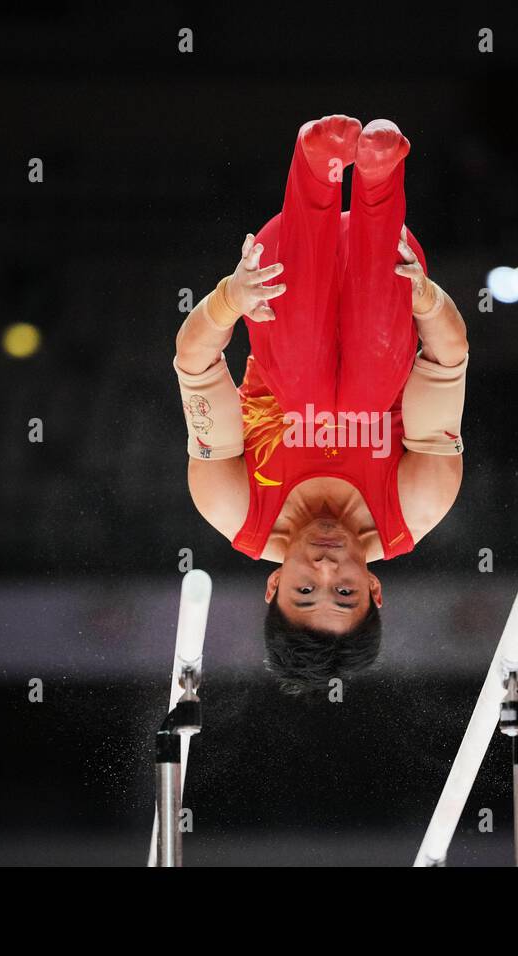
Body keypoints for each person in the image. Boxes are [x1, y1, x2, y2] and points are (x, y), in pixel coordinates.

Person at [172, 115, 470, 693]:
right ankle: (380, 178)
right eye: (346, 592)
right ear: (375, 589)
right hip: (386, 273)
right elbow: (446, 359)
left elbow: (195, 365)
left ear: (273, 585)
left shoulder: (233, 508)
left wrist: (230, 298)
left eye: (304, 590)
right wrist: (427, 300)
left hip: (284, 270)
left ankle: (318, 169)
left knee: (305, 384)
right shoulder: (418, 506)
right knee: (369, 392)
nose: (327, 569)